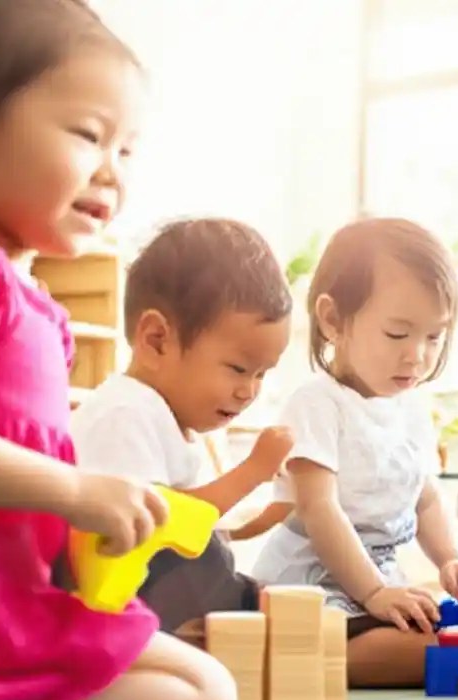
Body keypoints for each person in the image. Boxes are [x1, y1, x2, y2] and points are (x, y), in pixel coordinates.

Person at [0, 0, 236, 700]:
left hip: (9, 600)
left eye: (126, 150)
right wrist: (72, 492)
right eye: (87, 135)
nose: (112, 172)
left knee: (205, 688)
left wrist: (90, 523)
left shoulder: (40, 308)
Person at [248, 218, 458, 687]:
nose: (417, 355)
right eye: (398, 334)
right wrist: (374, 592)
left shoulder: (410, 409)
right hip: (312, 592)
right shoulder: (317, 403)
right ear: (334, 320)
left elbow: (425, 498)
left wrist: (448, 560)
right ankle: (290, 662)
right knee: (440, 651)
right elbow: (319, 506)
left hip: (377, 592)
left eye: (434, 336)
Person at [69, 218, 294, 635]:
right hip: (117, 608)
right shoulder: (124, 413)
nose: (249, 391)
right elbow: (160, 528)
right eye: (238, 369)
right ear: (156, 340)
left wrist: (279, 510)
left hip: (163, 597)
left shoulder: (169, 418)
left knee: (281, 604)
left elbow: (208, 525)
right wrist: (253, 472)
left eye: (262, 374)